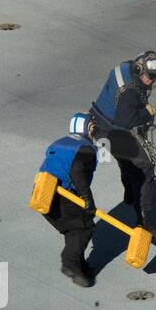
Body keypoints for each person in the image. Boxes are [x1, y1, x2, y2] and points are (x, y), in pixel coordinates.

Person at [88, 50, 156, 237]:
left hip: (99, 125)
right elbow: (126, 120)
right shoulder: (130, 91)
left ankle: (130, 195)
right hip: (112, 132)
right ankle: (144, 222)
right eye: (150, 77)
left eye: (155, 77)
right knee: (145, 169)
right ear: (140, 68)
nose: (152, 81)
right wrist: (147, 112)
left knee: (127, 162)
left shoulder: (125, 66)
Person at [37, 113, 99, 287]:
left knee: (72, 229)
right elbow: (77, 172)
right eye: (92, 126)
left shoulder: (59, 142)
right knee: (83, 227)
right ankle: (70, 263)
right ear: (86, 128)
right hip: (61, 193)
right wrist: (88, 199)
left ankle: (80, 266)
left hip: (41, 191)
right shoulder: (85, 148)